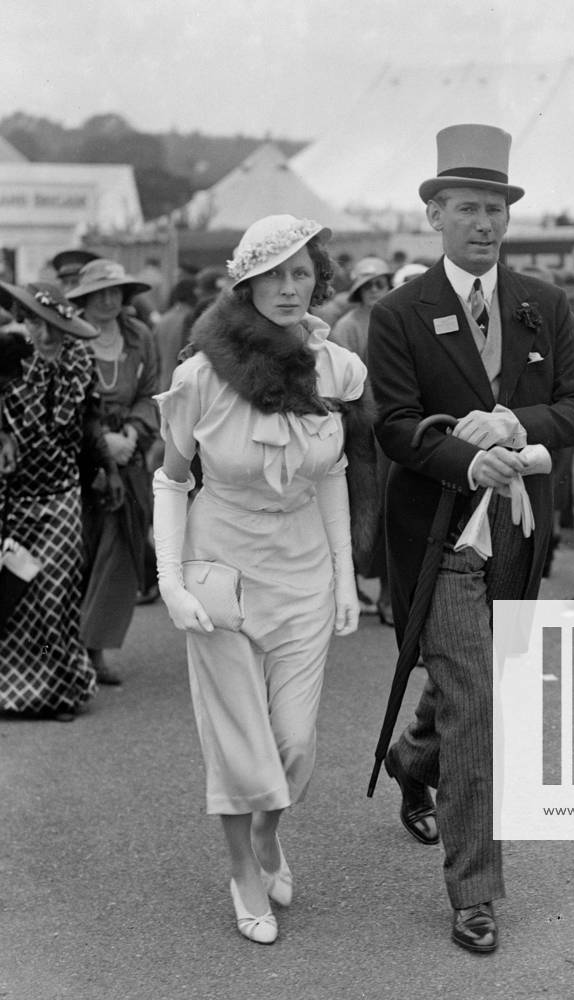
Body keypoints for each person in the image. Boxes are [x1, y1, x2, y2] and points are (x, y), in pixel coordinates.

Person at [367, 124, 574, 955]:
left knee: (478, 685)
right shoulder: (398, 312)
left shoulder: (544, 302)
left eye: (495, 208)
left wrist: (513, 423)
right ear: (432, 213)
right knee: (480, 704)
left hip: (520, 537)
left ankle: (414, 757)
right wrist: (469, 463)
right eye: (466, 207)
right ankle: (475, 893)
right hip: (440, 538)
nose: (484, 223)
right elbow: (393, 427)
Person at [152, 214, 369, 945]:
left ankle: (270, 832)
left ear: (318, 280)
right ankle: (243, 868)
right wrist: (173, 583)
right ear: (244, 284)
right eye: (272, 274)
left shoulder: (334, 368)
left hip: (303, 567)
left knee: (295, 739)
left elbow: (332, 472)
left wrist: (344, 577)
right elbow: (171, 483)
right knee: (238, 738)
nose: (287, 287)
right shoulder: (200, 376)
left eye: (301, 272)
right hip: (220, 567)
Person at [0, 283, 122, 721]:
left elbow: (91, 419)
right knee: (15, 595)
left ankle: (57, 688)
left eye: (55, 327)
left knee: (54, 597)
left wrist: (106, 467)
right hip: (12, 498)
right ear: (23, 319)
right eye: (37, 324)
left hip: (62, 495)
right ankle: (11, 690)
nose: (47, 336)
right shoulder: (5, 352)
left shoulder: (79, 359)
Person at [66, 259, 160, 686]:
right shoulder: (67, 333)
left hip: (129, 460)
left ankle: (95, 649)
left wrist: (134, 433)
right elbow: (67, 404)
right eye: (99, 291)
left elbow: (150, 392)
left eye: (116, 290)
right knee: (74, 559)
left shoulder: (139, 335)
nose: (108, 298)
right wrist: (103, 442)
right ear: (83, 297)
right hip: (80, 463)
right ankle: (55, 652)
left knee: (117, 556)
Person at [330, 256, 394, 623]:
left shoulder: (397, 318)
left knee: (389, 508)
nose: (375, 291)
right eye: (368, 285)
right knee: (352, 505)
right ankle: (348, 586)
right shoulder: (347, 326)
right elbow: (342, 381)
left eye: (380, 284)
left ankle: (388, 594)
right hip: (358, 426)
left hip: (393, 425)